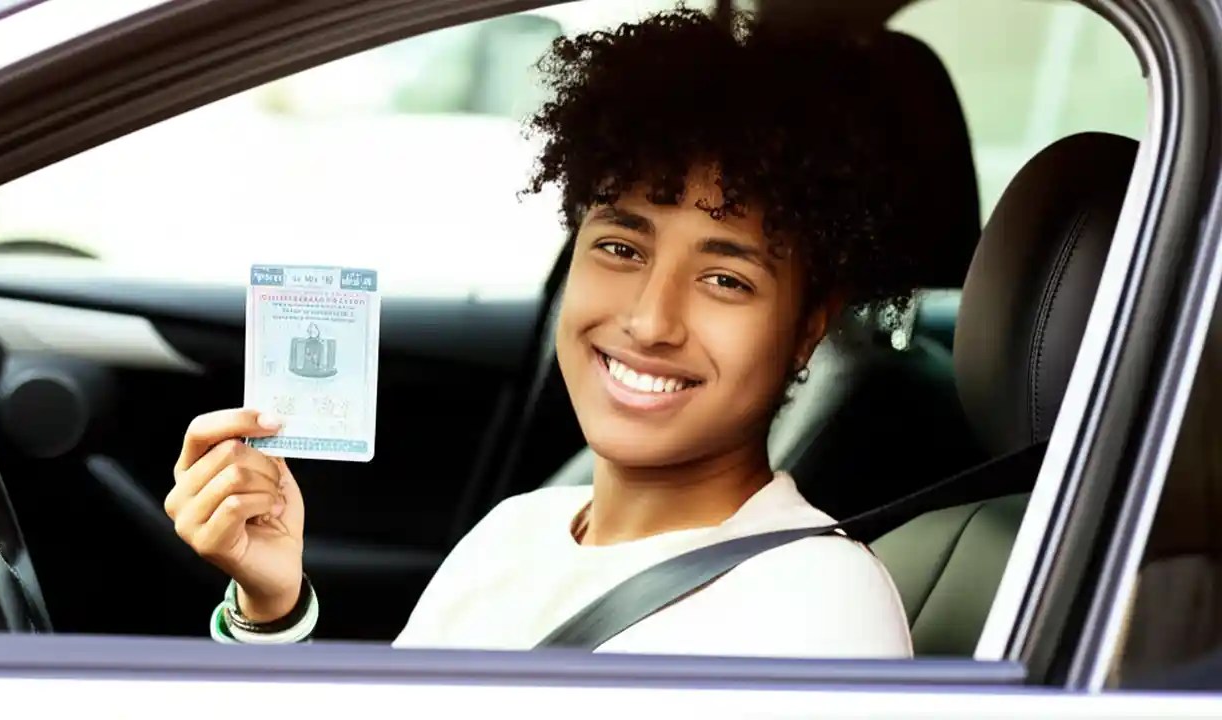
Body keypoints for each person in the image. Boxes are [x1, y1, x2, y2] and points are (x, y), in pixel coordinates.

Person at [165, 7, 926, 657]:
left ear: (807, 330)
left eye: (725, 280)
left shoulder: (819, 608)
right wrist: (273, 606)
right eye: (622, 249)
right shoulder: (515, 531)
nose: (650, 320)